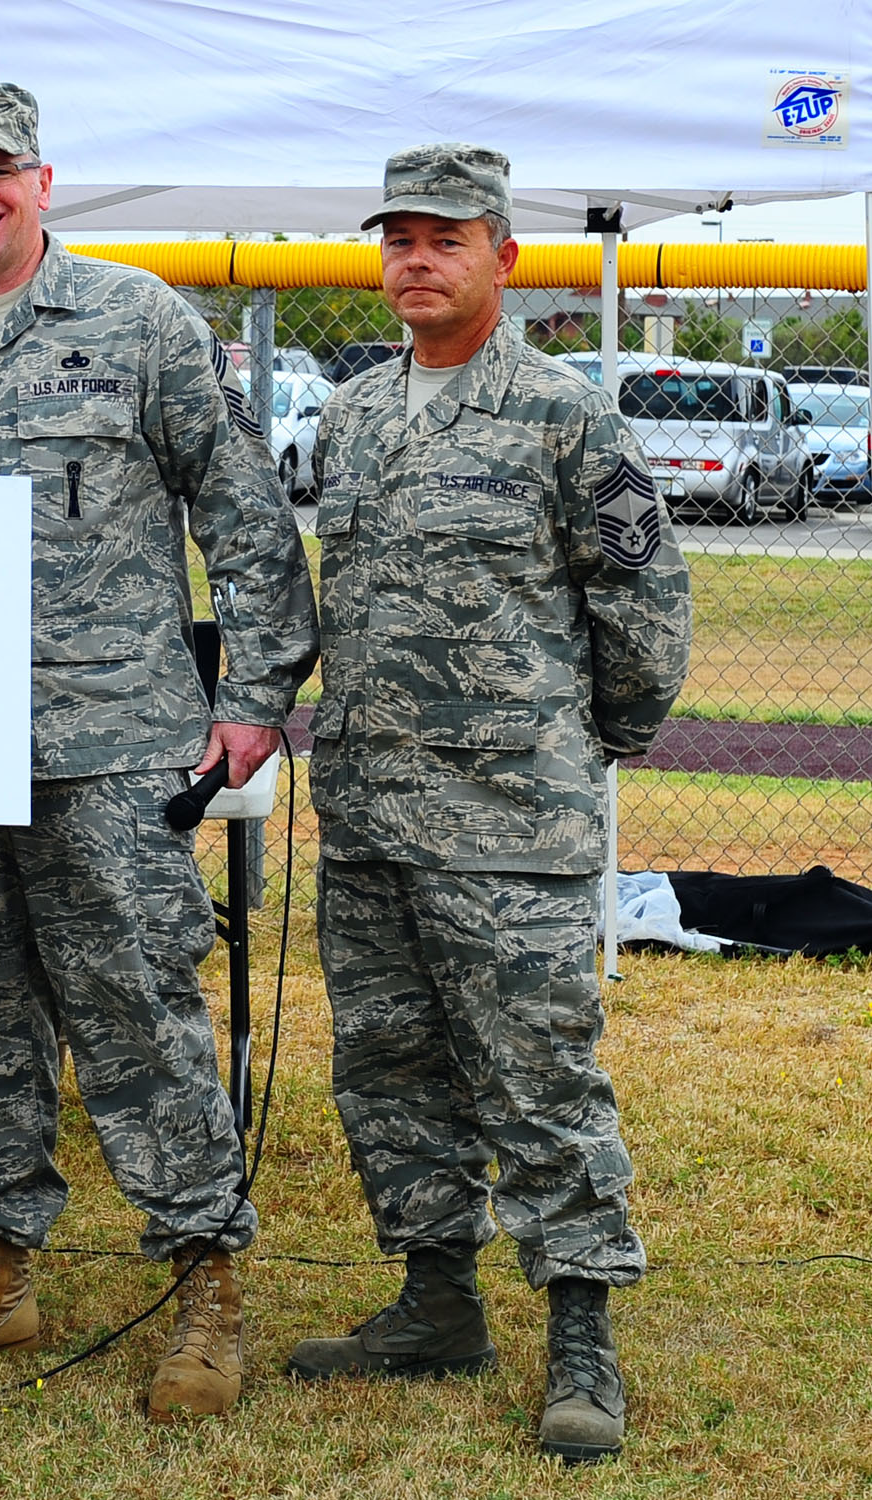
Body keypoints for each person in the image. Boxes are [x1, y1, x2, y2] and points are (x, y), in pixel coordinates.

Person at [0, 83, 317, 1420]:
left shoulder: (139, 320)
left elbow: (245, 511)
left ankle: (204, 1291)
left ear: (44, 182)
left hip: (113, 747)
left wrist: (253, 691)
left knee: (140, 1015)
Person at [285, 143, 691, 1465]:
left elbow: (646, 610)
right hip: (373, 820)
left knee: (538, 1081)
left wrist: (577, 754)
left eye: (444, 237)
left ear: (503, 259)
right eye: (398, 236)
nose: (416, 258)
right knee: (391, 1073)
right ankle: (435, 1301)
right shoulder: (351, 417)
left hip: (513, 826)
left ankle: (581, 1333)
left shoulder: (571, 416)